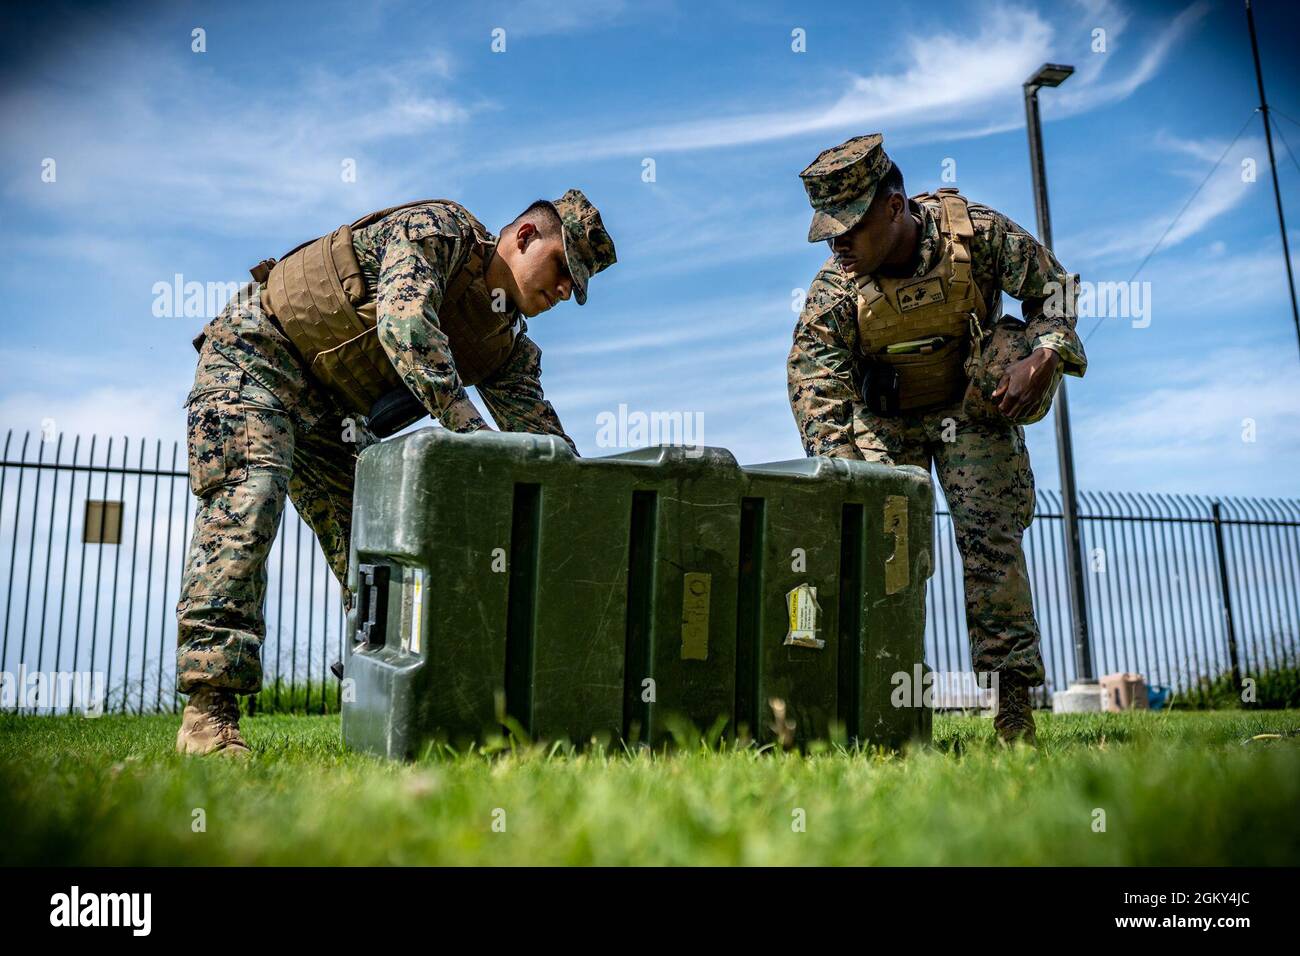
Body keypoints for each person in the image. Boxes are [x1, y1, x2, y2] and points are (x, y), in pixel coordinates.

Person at [175, 191, 617, 756]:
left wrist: (592, 504)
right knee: (249, 502)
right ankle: (208, 713)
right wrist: (471, 435)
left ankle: (390, 700)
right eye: (562, 268)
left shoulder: (505, 348)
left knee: (375, 553)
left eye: (574, 288)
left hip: (330, 418)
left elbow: (543, 444)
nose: (563, 291)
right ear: (526, 236)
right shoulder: (441, 232)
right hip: (255, 359)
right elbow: (404, 327)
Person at [788, 133, 1087, 744]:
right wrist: (848, 479)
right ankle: (885, 708)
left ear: (894, 208)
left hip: (971, 408)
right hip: (887, 422)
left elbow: (1052, 289)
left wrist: (1045, 356)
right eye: (830, 232)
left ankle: (1013, 712)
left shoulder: (976, 237)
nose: (839, 244)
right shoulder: (836, 289)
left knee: (991, 542)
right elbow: (814, 380)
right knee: (884, 557)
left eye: (851, 226)